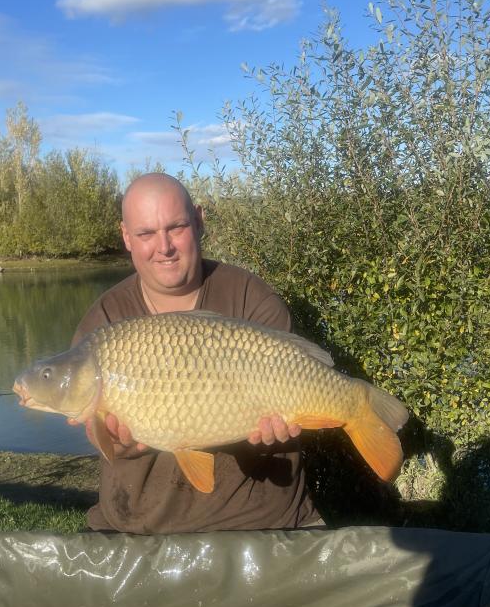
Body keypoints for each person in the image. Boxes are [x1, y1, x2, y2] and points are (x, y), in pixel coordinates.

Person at [69, 172, 322, 533]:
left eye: (176, 227)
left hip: (260, 520)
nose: (164, 246)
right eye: (146, 234)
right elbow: (104, 441)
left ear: (200, 221)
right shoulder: (105, 321)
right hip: (140, 523)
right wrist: (119, 445)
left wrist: (280, 427)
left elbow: (295, 391)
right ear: (126, 236)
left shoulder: (252, 299)